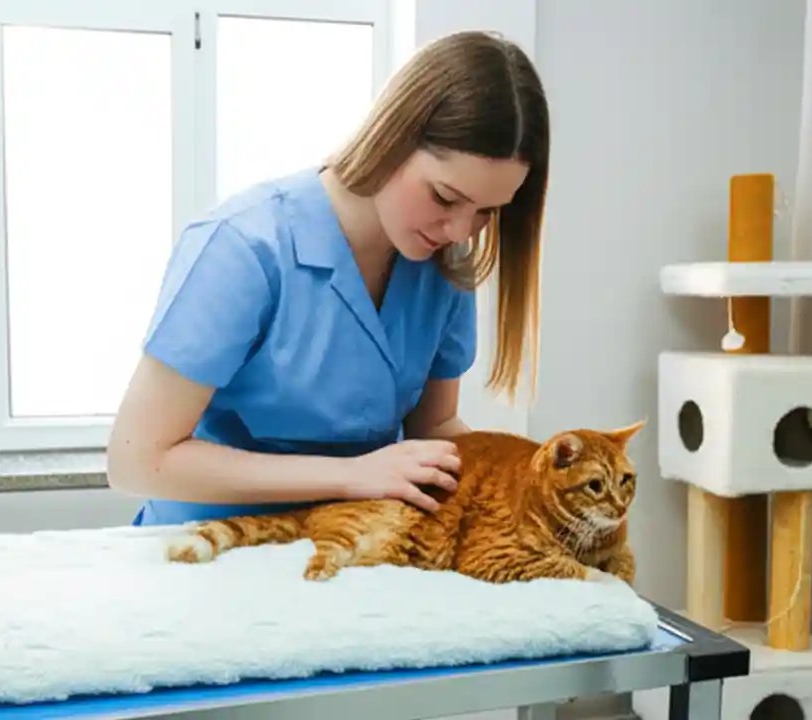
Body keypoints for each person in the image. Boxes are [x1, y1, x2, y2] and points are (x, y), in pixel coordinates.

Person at [109, 30, 550, 527]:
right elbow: (137, 461)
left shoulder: (443, 264)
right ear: (392, 140)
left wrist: (533, 488)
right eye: (445, 198)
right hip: (207, 553)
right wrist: (351, 476)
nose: (459, 230)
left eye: (487, 212)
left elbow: (435, 426)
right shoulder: (243, 248)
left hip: (351, 550)